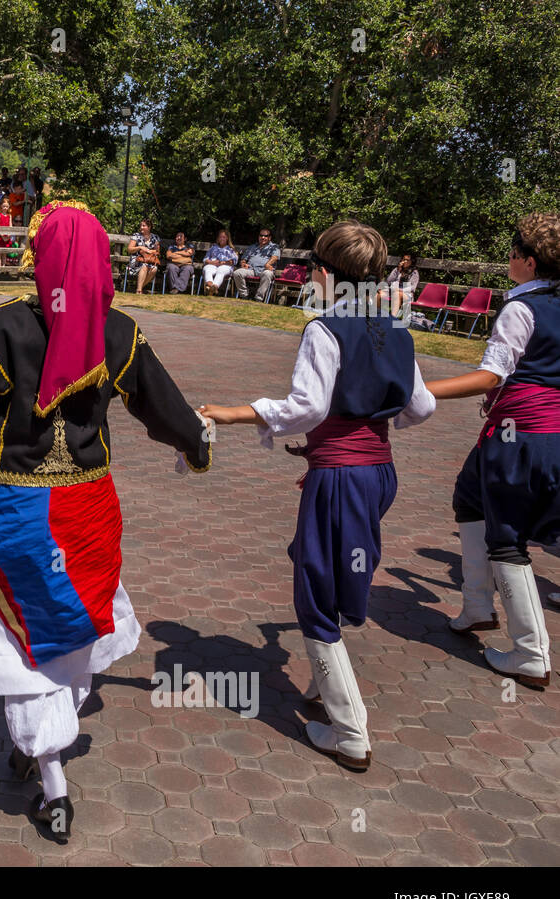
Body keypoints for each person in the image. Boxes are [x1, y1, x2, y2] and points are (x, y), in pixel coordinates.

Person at [0, 200, 212, 838]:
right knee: (69, 629)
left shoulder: (1, 328)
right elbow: (167, 411)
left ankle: (53, 784)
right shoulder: (119, 332)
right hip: (90, 508)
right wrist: (195, 439)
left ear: (41, 258)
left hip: (20, 511)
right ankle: (39, 745)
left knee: (25, 643)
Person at [199, 220, 436, 770]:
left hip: (342, 477)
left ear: (325, 275)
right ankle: (322, 680)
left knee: (314, 587)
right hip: (379, 473)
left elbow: (307, 407)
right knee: (321, 566)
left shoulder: (325, 329)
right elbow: (421, 407)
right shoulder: (397, 329)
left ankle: (350, 732)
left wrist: (239, 412)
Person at [426, 212, 560, 691]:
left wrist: (420, 389)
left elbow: (491, 375)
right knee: (468, 499)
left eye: (512, 251)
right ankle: (478, 606)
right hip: (543, 435)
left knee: (506, 538)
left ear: (527, 261)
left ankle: (530, 652)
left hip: (519, 437)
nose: (507, 257)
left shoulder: (521, 310)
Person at [233, 228, 281, 300]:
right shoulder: (252, 247)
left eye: (265, 236)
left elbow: (275, 257)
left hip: (265, 269)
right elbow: (243, 259)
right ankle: (244, 295)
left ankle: (258, 297)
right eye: (261, 235)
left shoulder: (274, 247)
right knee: (237, 273)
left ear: (269, 238)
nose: (263, 237)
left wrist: (267, 264)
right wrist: (243, 264)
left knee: (267, 274)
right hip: (251, 269)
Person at [379, 252, 420, 318]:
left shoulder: (414, 272)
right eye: (403, 259)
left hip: (407, 295)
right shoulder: (396, 270)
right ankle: (376, 317)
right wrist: (398, 270)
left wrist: (400, 290)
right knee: (380, 293)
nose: (404, 261)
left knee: (397, 294)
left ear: (412, 262)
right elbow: (389, 281)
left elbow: (412, 287)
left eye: (407, 260)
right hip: (392, 292)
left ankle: (392, 318)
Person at [126, 218, 161, 293]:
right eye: (141, 225)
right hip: (137, 260)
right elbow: (129, 249)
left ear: (149, 227)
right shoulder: (136, 236)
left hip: (149, 260)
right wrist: (140, 247)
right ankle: (139, 290)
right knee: (144, 266)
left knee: (154, 269)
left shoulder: (155, 237)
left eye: (143, 226)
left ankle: (139, 288)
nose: (141, 227)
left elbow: (158, 251)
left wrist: (148, 251)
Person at [201, 229, 239, 294]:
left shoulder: (230, 249)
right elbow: (205, 259)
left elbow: (233, 261)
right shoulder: (213, 248)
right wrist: (212, 262)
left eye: (223, 237)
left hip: (225, 266)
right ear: (218, 238)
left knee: (221, 271)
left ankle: (212, 287)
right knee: (207, 269)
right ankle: (211, 287)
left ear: (227, 238)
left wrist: (223, 263)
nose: (222, 239)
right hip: (212, 265)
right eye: (220, 237)